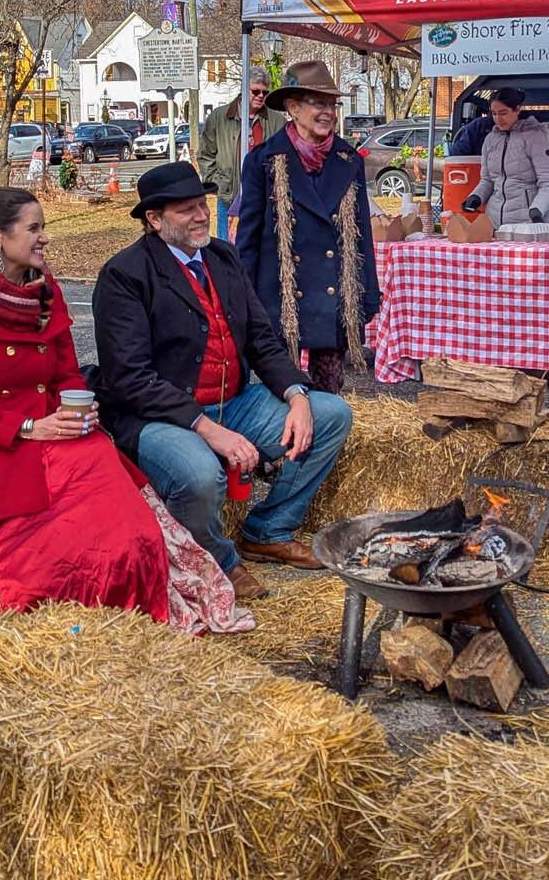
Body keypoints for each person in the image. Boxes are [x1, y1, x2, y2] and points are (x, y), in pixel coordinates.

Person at [0, 187, 251, 632]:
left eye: (44, 227)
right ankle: (57, 627)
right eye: (34, 228)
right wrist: (28, 426)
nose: (44, 238)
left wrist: (74, 408)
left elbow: (66, 370)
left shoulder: (46, 293)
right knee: (39, 555)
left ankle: (125, 620)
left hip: (60, 432)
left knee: (129, 531)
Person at [93, 162, 354, 602]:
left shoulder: (221, 256)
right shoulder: (124, 275)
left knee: (331, 415)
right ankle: (218, 560)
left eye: (202, 204)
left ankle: (267, 530)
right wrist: (207, 430)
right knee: (200, 476)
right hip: (160, 417)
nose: (200, 216)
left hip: (231, 402)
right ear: (154, 220)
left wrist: (297, 394)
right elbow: (128, 379)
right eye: (186, 210)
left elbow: (260, 338)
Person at [234, 61, 381, 395]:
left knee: (328, 390)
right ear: (293, 107)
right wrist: (244, 298)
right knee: (284, 391)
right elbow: (249, 238)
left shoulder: (349, 160)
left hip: (334, 298)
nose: (328, 112)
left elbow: (361, 237)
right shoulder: (263, 161)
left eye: (332, 104)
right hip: (280, 294)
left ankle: (326, 444)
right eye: (319, 103)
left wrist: (367, 294)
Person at [198, 68, 287, 240]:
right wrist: (220, 184)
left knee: (262, 247)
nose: (261, 95)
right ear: (244, 90)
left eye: (265, 92)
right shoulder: (219, 117)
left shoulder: (277, 122)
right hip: (229, 197)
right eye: (255, 91)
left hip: (265, 199)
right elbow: (205, 155)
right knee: (228, 250)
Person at [460, 86, 549, 225]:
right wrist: (476, 197)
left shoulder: (536, 138)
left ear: (517, 110)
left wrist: (537, 209)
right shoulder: (490, 140)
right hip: (494, 222)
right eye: (494, 114)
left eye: (503, 113)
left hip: (528, 223)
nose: (498, 119)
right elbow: (487, 180)